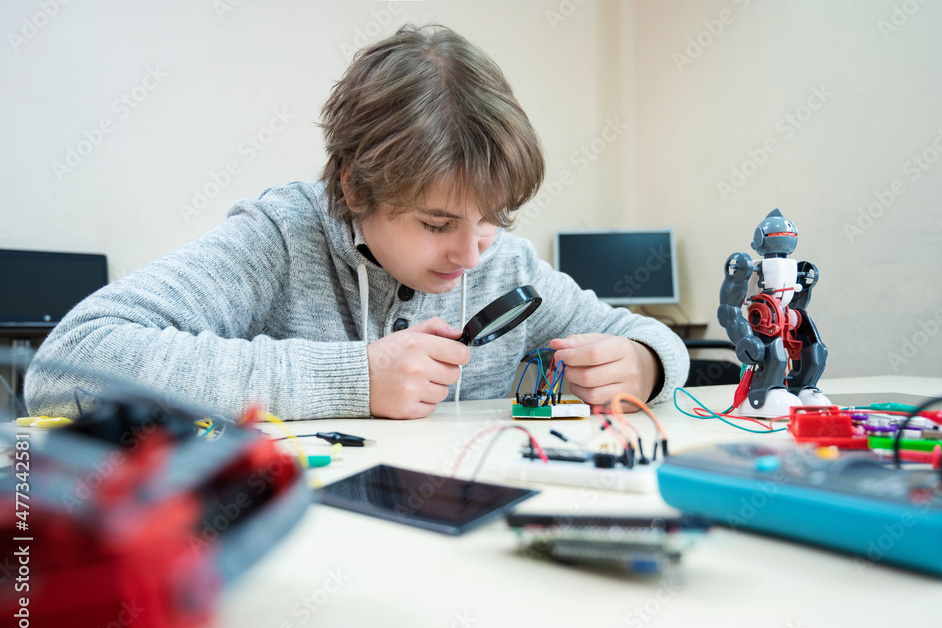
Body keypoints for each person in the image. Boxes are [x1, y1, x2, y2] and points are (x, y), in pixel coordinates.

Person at [25, 24, 689, 420]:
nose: (470, 251)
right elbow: (69, 363)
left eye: (490, 218)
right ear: (355, 184)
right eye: (436, 223)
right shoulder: (279, 238)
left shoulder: (506, 264)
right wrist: (357, 378)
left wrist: (644, 363)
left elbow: (651, 341)